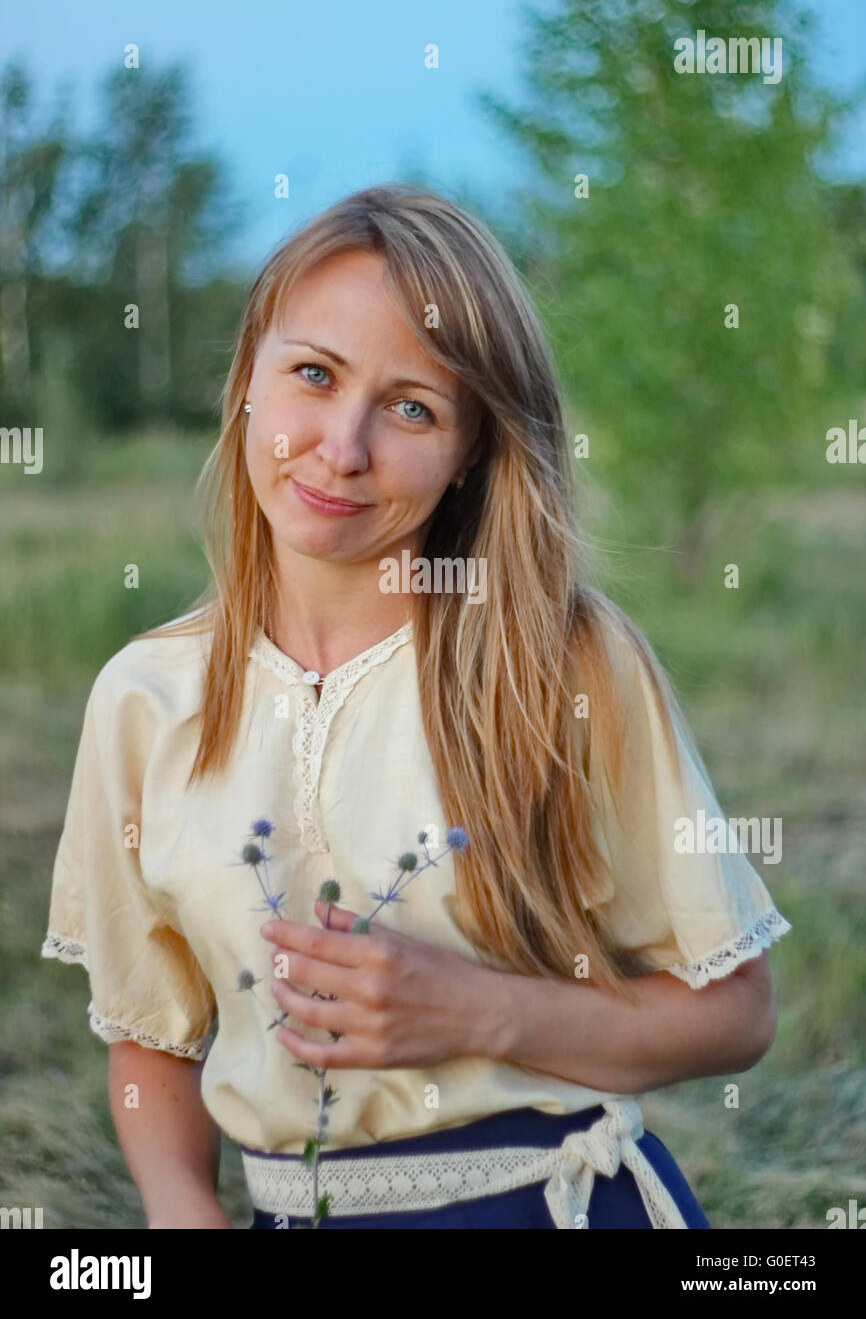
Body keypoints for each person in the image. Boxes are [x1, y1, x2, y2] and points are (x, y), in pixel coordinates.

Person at [41, 182, 791, 1230]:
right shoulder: (143, 698)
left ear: (471, 452)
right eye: (312, 374)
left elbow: (734, 1013)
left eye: (410, 408)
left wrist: (472, 1007)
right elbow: (151, 1033)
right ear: (248, 376)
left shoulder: (561, 665)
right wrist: (179, 1208)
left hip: (537, 1206)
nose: (341, 448)